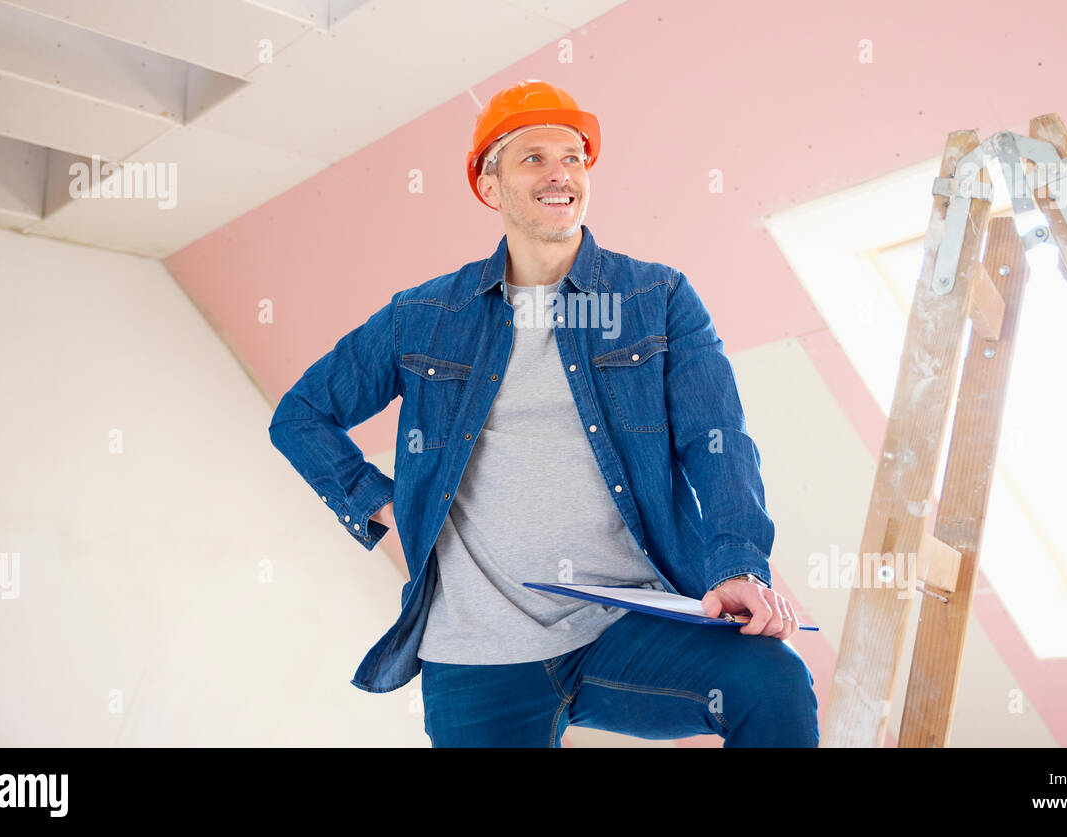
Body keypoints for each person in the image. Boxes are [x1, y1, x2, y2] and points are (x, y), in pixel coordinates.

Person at [268, 79, 820, 747]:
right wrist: (382, 504)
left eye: (575, 157)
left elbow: (718, 440)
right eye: (534, 157)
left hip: (623, 625)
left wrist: (739, 564)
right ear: (489, 185)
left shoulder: (657, 296)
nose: (561, 173)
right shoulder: (424, 316)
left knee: (770, 678)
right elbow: (299, 414)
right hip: (474, 651)